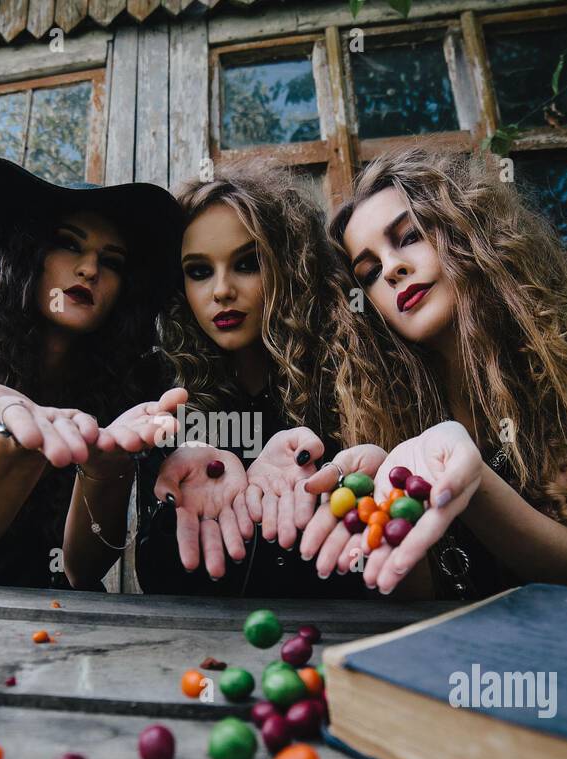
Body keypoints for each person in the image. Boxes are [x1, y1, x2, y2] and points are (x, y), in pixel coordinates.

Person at [302, 146, 567, 599]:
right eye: (369, 272)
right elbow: (416, 597)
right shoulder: (380, 387)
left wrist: (468, 483)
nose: (391, 270)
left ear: (466, 230)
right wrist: (393, 513)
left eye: (410, 236)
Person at [0, 159, 184, 589]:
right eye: (69, 244)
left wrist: (105, 466)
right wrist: (15, 448)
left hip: (76, 622)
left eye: (113, 261)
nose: (90, 269)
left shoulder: (134, 384)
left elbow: (82, 569)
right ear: (26, 255)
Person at [133, 162, 383, 598]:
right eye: (199, 271)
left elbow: (375, 571)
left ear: (288, 267)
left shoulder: (349, 378)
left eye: (247, 264)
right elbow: (155, 577)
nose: (222, 290)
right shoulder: (165, 399)